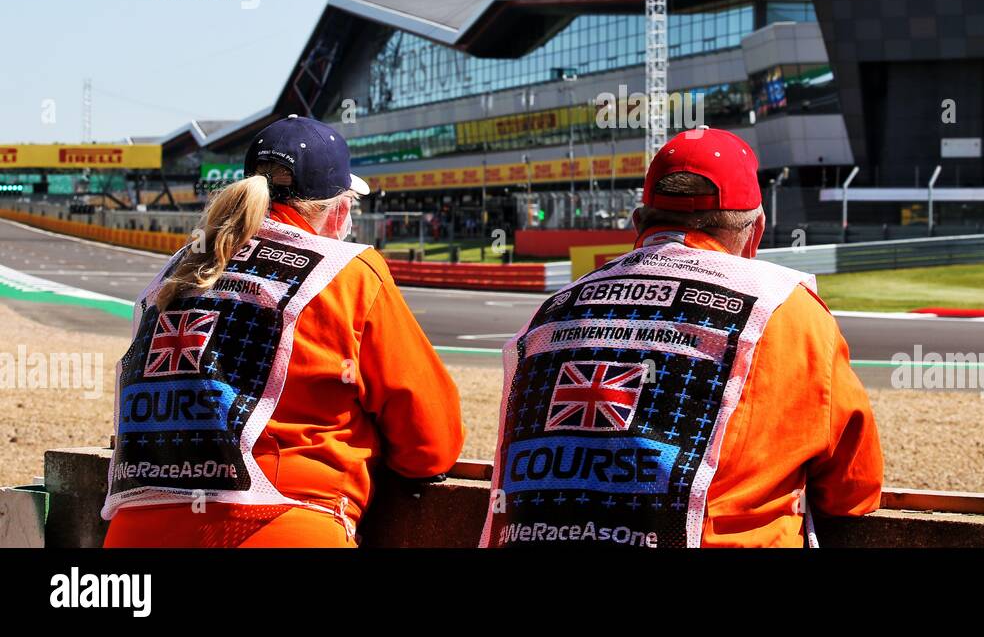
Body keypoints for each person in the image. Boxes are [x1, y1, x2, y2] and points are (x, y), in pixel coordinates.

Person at [480, 126, 882, 548]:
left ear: (638, 223)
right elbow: (854, 490)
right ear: (756, 231)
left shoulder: (553, 309)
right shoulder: (789, 310)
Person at [102, 115, 464, 547]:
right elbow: (431, 443)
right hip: (281, 525)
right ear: (341, 208)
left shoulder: (177, 268)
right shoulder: (349, 272)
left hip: (132, 533)